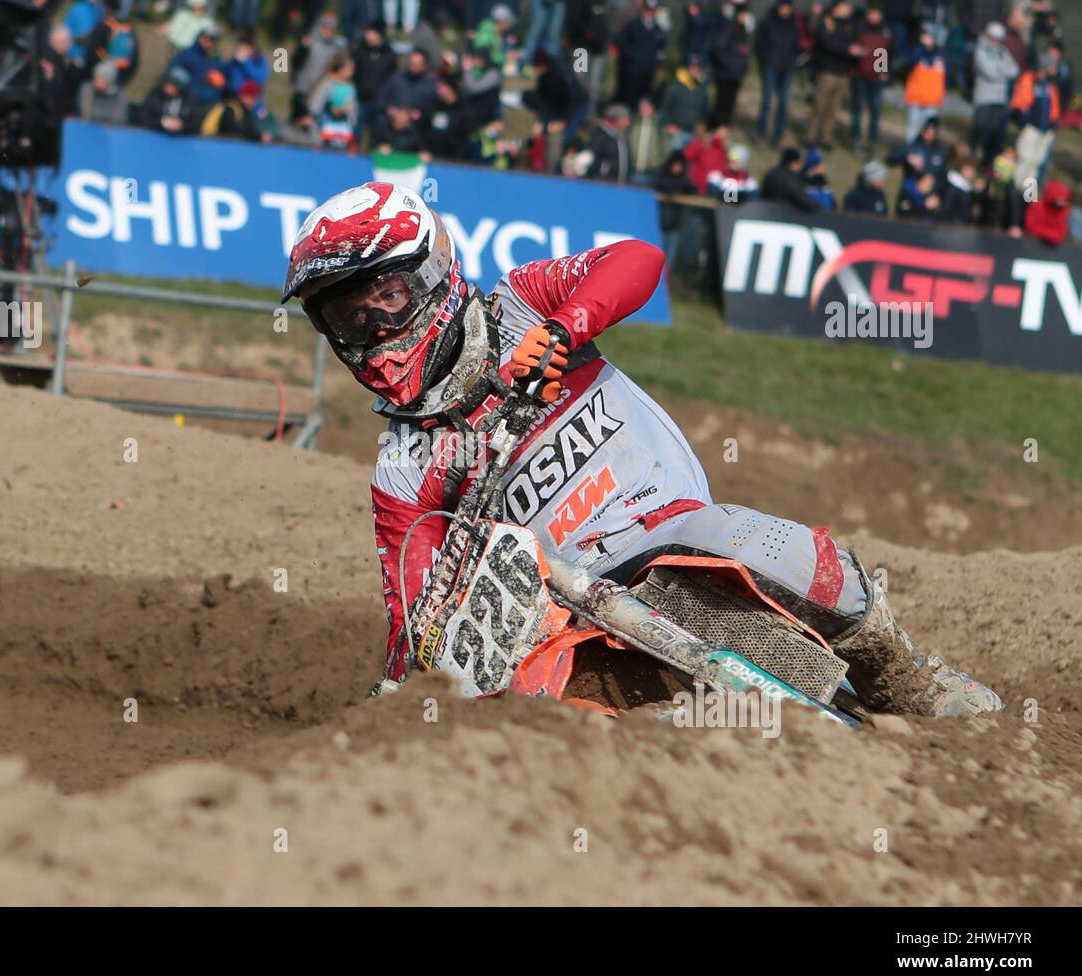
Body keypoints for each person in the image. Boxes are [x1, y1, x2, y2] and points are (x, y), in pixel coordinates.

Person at [279, 181, 1003, 718]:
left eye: (387, 298)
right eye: (346, 314)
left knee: (791, 557)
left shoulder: (520, 308)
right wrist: (402, 697)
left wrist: (567, 329)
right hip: (572, 619)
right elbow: (416, 616)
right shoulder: (405, 467)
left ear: (432, 274)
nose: (371, 326)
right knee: (530, 713)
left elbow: (637, 261)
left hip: (672, 526)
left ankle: (901, 670)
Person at [807, 0, 858, 149]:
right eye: (845, 6)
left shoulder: (850, 26)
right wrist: (847, 49)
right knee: (819, 105)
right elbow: (826, 42)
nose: (848, 10)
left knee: (833, 109)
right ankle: (810, 136)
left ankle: (826, 138)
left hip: (843, 73)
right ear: (836, 8)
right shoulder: (827, 22)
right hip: (828, 71)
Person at [970, 22, 1021, 167]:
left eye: (998, 39)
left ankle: (987, 165)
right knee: (980, 132)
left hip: (1000, 100)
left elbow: (1014, 70)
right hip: (984, 99)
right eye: (993, 38)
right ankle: (973, 163)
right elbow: (989, 72)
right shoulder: (981, 51)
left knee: (995, 135)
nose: (996, 42)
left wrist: (999, 69)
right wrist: (1002, 70)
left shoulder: (1003, 52)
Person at [1008, 50, 1062, 189]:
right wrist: (1025, 119)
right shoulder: (1031, 79)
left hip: (1045, 131)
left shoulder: (1050, 85)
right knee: (1024, 159)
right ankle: (1015, 193)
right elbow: (1021, 102)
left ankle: (1027, 197)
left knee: (1035, 163)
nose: (1055, 70)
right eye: (1052, 66)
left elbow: (1054, 109)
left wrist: (1053, 124)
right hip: (1032, 128)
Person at [754, 0, 800, 146]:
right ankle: (761, 133)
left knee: (784, 103)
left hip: (787, 68)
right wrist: (764, 60)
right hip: (770, 65)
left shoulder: (794, 24)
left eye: (788, 8)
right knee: (767, 101)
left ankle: (777, 136)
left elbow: (797, 45)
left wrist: (794, 61)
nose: (785, 10)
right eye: (783, 7)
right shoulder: (768, 22)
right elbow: (758, 44)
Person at [613, 0, 668, 110]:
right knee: (625, 98)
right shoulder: (632, 25)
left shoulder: (658, 31)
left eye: (652, 11)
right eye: (647, 10)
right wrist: (632, 58)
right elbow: (621, 43)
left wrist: (655, 61)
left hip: (647, 72)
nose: (649, 13)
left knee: (643, 98)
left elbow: (661, 50)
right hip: (630, 71)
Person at [851, 5, 890, 156]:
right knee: (858, 109)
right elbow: (852, 50)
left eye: (877, 13)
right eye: (872, 13)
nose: (874, 16)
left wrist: (884, 71)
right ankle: (857, 139)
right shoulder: (859, 29)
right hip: (860, 75)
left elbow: (887, 53)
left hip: (876, 76)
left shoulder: (885, 31)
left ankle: (873, 141)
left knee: (875, 110)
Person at [657, 54, 710, 153]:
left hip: (694, 134)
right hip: (677, 133)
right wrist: (668, 125)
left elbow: (704, 112)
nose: (694, 70)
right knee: (674, 160)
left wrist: (703, 130)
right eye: (692, 67)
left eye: (697, 67)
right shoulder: (674, 87)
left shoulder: (702, 90)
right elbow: (663, 109)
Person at [903, 30, 946, 142]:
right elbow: (909, 62)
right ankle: (910, 150)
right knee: (913, 126)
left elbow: (948, 76)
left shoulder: (941, 55)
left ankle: (924, 152)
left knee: (928, 128)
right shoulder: (917, 51)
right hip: (916, 97)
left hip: (932, 99)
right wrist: (921, 47)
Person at [761, 146, 821, 212]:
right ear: (793, 163)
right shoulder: (790, 179)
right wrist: (818, 208)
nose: (800, 166)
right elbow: (801, 199)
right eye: (799, 163)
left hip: (767, 211)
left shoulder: (770, 173)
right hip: (783, 214)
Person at [585, 103, 631, 183]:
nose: (628, 123)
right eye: (625, 119)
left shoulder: (623, 137)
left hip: (621, 182)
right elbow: (590, 156)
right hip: (604, 183)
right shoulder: (601, 135)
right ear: (616, 120)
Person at [1022, 179, 1070, 246]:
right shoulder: (1037, 207)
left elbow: (1061, 231)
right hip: (1032, 244)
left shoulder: (1063, 211)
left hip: (1051, 249)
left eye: (1064, 199)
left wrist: (1054, 236)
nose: (1062, 202)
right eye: (1060, 199)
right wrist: (1051, 236)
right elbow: (1031, 228)